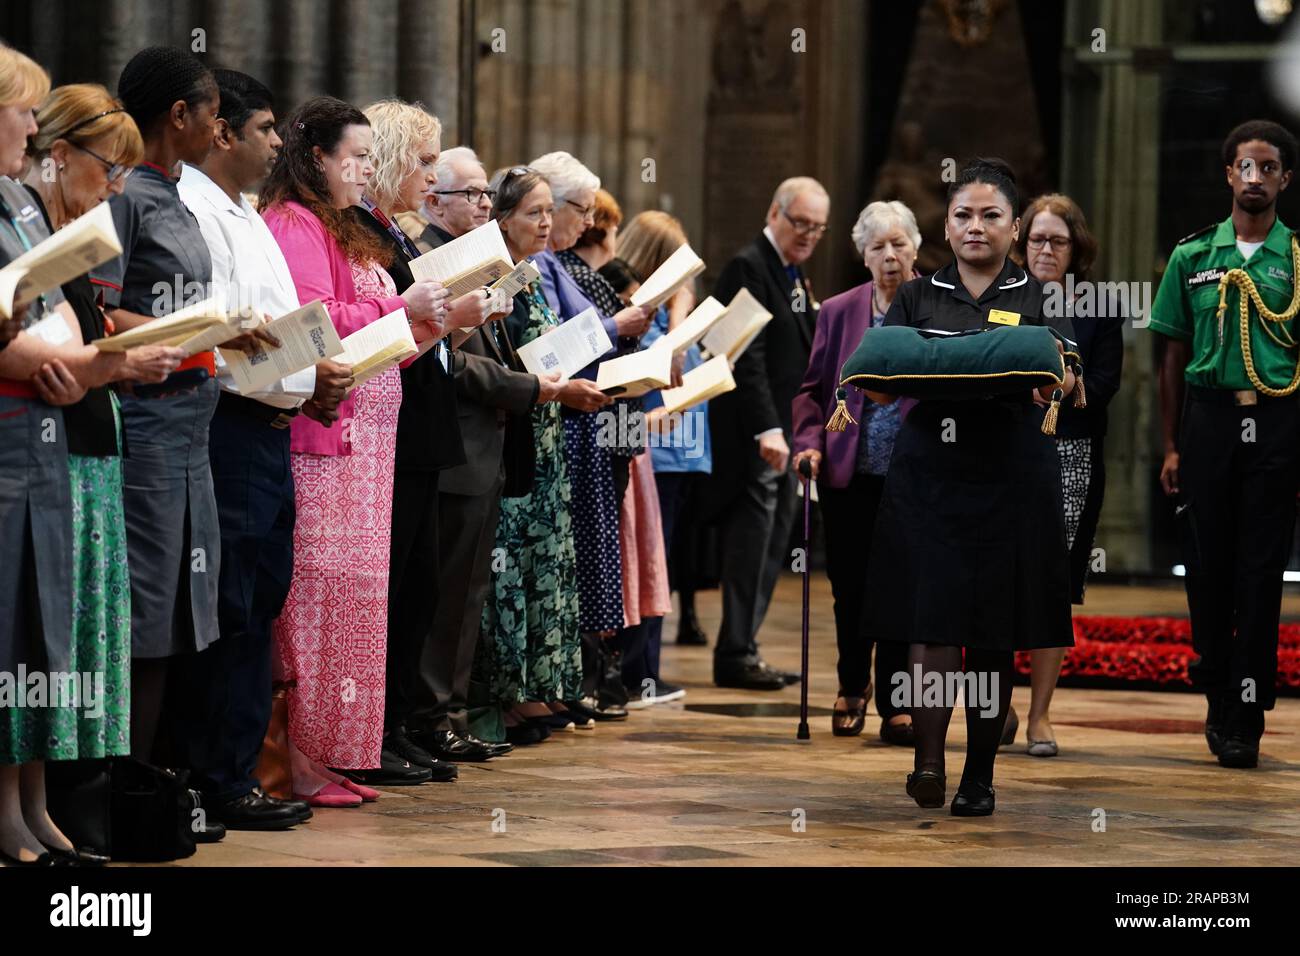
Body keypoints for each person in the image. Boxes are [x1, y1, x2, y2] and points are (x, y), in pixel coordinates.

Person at [0, 47, 179, 866]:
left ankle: (36, 804)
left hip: (67, 434)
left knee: (50, 639)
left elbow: (70, 321)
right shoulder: (17, 206)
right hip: (27, 439)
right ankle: (13, 811)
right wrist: (105, 365)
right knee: (18, 637)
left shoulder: (31, 214)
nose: (30, 127)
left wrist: (124, 350)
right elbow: (33, 334)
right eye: (22, 112)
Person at [864, 158, 1076, 816]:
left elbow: (1065, 379)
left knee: (993, 631)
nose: (975, 226)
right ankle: (929, 763)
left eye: (990, 216)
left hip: (1013, 478)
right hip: (931, 477)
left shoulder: (1040, 297)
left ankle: (978, 776)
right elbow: (879, 375)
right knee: (931, 625)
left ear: (1015, 228)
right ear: (945, 228)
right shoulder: (917, 295)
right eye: (962, 215)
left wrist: (1057, 379)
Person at [261, 96, 450, 787]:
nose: (368, 170)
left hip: (367, 450)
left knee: (358, 609)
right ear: (316, 157)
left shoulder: (345, 224)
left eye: (373, 157)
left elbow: (373, 333)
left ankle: (343, 750)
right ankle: (301, 756)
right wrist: (402, 307)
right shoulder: (294, 221)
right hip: (325, 440)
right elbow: (311, 322)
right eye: (358, 156)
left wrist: (429, 325)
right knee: (318, 606)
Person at [177, 69, 351, 817]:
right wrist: (299, 372)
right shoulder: (198, 210)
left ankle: (240, 771)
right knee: (235, 604)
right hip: (231, 426)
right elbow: (222, 334)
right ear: (221, 132)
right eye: (265, 129)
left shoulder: (246, 213)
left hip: (275, 424)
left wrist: (314, 377)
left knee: (263, 595)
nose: (278, 142)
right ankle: (218, 780)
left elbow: (279, 323)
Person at [87, 49, 233, 835]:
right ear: (179, 115)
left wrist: (218, 333)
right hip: (146, 426)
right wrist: (203, 330)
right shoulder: (128, 198)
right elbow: (100, 318)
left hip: (191, 431)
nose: (220, 125)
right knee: (145, 606)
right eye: (211, 110)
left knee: (185, 605)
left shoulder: (180, 196)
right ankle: (123, 789)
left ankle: (158, 781)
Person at [355, 102, 509, 768]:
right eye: (422, 162)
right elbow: (372, 327)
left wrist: (455, 320)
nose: (428, 174)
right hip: (397, 422)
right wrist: (449, 320)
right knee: (402, 589)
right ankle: (386, 730)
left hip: (421, 421)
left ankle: (401, 727)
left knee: (419, 590)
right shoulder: (371, 233)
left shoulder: (392, 233)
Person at [401, 146, 570, 750]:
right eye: (470, 195)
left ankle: (446, 716)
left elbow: (484, 348)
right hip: (453, 448)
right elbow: (455, 366)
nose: (482, 205)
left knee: (465, 595)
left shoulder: (476, 258)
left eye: (482, 194)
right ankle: (427, 719)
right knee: (441, 596)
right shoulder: (423, 259)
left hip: (486, 446)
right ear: (433, 199)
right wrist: (531, 388)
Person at [1151, 120, 1300, 770]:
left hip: (1276, 419)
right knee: (1208, 565)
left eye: (1269, 167)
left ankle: (1248, 712)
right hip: (1208, 421)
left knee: (1262, 572)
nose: (1256, 177)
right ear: (1228, 174)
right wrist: (1170, 445)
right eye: (1246, 166)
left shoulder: (1297, 260)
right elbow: (1171, 353)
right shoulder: (1192, 257)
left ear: (1285, 179)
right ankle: (1217, 686)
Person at [473, 166, 608, 745]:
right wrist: (558, 385)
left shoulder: (528, 275)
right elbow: (506, 361)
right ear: (502, 220)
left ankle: (534, 686)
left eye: (552, 210)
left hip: (547, 435)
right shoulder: (494, 276)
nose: (548, 221)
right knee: (510, 567)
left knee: (541, 567)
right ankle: (507, 694)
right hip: (518, 433)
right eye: (534, 212)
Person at [791, 200, 918, 744]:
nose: (889, 256)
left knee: (901, 586)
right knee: (850, 586)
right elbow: (811, 392)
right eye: (877, 247)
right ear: (862, 256)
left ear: (915, 248)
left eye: (899, 245)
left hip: (912, 474)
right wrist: (808, 444)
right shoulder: (839, 310)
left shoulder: (935, 306)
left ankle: (896, 702)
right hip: (849, 473)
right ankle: (850, 685)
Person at [707, 176, 830, 690]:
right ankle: (734, 652)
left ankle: (746, 646)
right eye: (800, 223)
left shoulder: (792, 273)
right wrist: (768, 427)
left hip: (785, 435)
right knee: (751, 544)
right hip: (757, 437)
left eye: (818, 229)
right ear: (775, 212)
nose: (807, 235)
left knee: (773, 541)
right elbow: (739, 354)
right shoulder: (748, 267)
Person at [1013, 193, 1123, 758]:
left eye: (1058, 240)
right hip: (1005, 451)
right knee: (999, 576)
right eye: (1037, 239)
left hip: (1072, 452)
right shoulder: (1003, 298)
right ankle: (998, 704)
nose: (1047, 249)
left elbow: (1107, 383)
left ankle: (1040, 716)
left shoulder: (1100, 305)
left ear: (1076, 247)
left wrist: (1071, 391)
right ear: (1021, 243)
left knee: (1053, 584)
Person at [619, 211, 708, 705]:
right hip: (654, 447)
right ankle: (638, 672)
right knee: (647, 559)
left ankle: (648, 669)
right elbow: (661, 365)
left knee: (661, 562)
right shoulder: (639, 314)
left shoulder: (667, 311)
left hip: (682, 447)